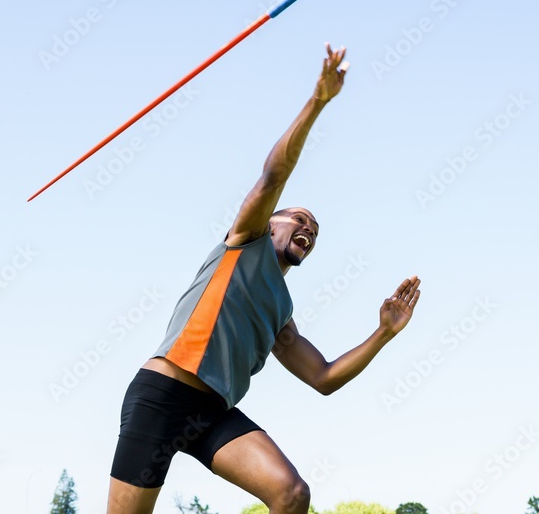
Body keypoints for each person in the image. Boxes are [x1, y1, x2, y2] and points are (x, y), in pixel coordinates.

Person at [106, 43, 422, 514]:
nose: (308, 228)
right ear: (270, 222)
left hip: (211, 414)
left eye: (314, 229)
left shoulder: (281, 310)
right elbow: (274, 177)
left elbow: (325, 378)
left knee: (291, 493)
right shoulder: (244, 240)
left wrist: (383, 333)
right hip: (161, 395)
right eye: (299, 217)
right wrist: (318, 102)